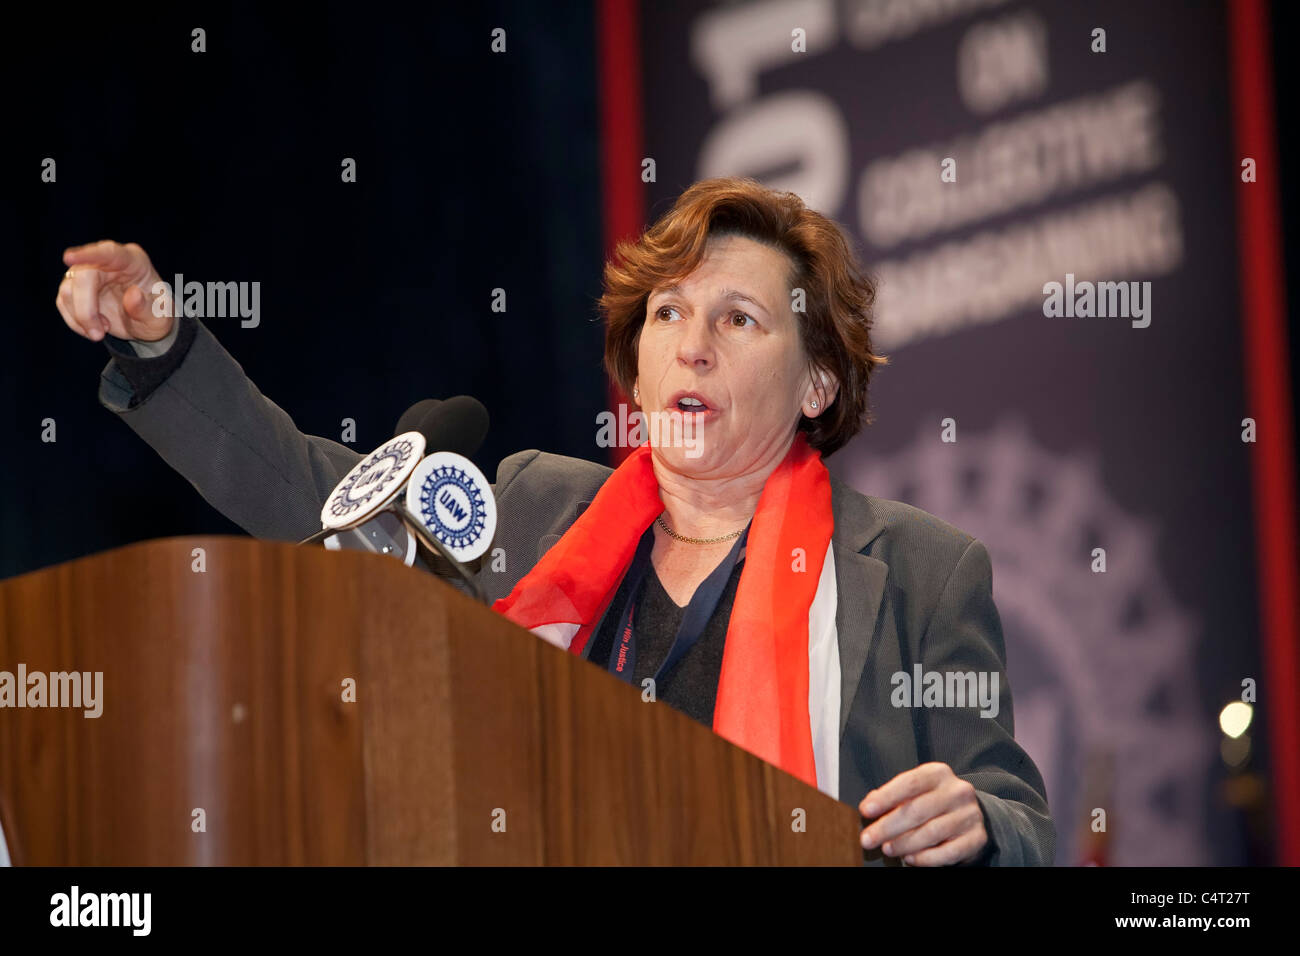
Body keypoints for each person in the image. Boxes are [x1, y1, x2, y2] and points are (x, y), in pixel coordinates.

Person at [55, 177, 1054, 866]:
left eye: (737, 319)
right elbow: (317, 499)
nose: (690, 346)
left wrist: (978, 824)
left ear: (817, 381)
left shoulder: (919, 569)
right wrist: (163, 347)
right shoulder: (533, 510)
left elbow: (1019, 818)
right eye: (666, 312)